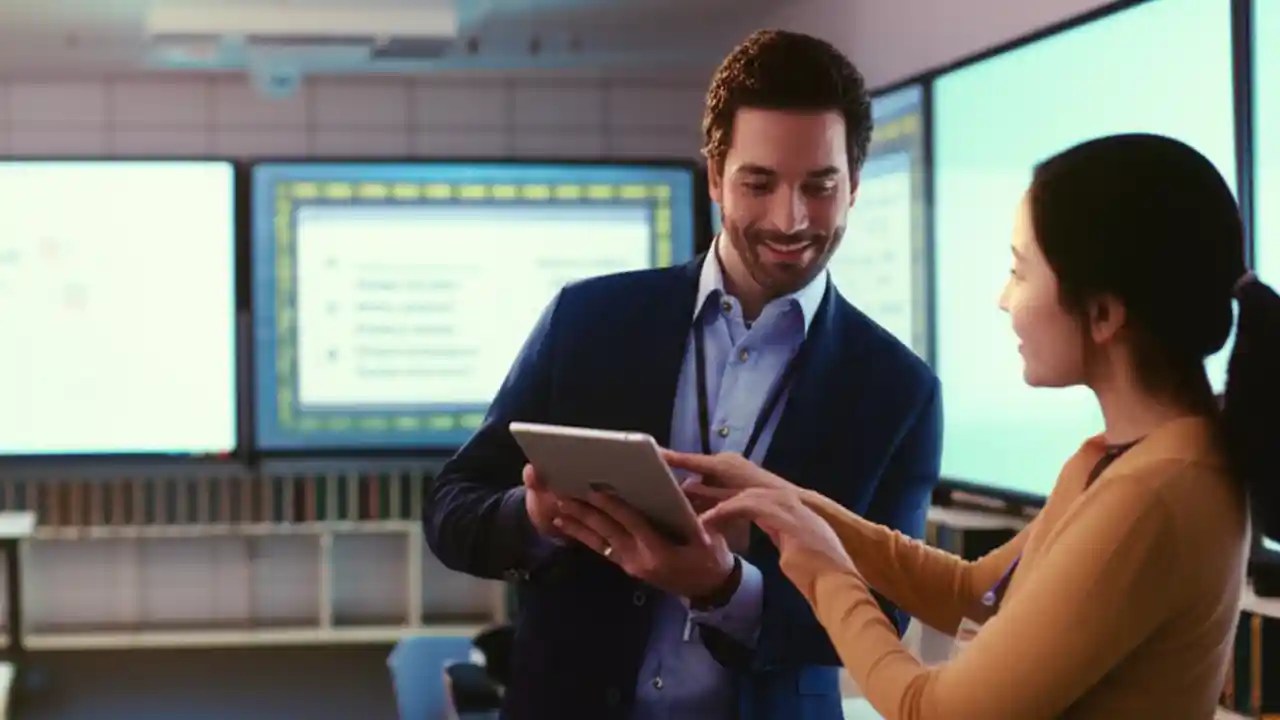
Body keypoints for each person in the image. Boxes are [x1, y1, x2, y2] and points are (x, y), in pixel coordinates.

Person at [667, 133, 1280, 719]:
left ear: (1101, 314)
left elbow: (932, 710)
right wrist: (780, 499)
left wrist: (824, 572)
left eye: (1020, 271)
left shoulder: (1156, 493)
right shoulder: (1123, 457)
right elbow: (977, 590)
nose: (1003, 298)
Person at [423, 29, 943, 720]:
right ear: (714, 175)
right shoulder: (589, 319)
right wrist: (534, 519)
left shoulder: (898, 390)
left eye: (820, 187)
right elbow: (452, 506)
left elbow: (879, 618)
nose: (791, 219)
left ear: (854, 184)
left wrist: (728, 589)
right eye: (759, 184)